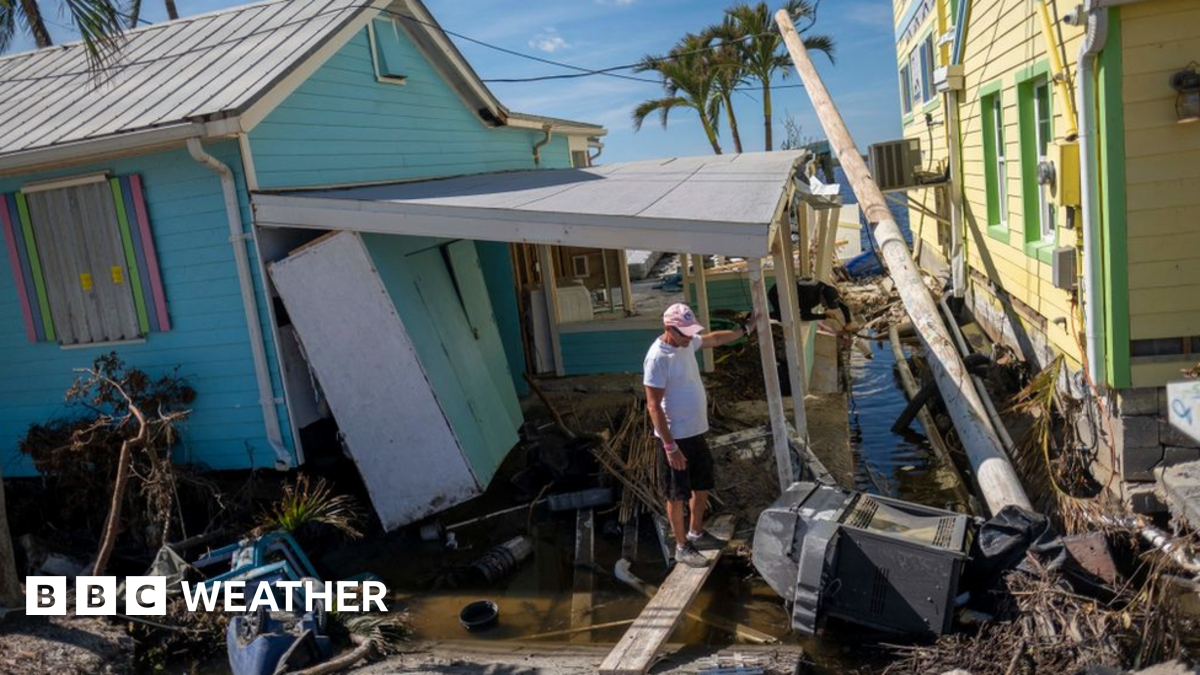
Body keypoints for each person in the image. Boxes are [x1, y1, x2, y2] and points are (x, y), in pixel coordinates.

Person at [643, 303, 752, 568]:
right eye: (684, 333)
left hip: (695, 433)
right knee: (676, 494)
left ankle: (696, 532)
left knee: (701, 486)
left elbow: (714, 339)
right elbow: (653, 406)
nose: (690, 337)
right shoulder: (658, 358)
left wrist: (745, 330)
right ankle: (682, 546)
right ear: (669, 329)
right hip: (675, 439)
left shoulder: (686, 343)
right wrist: (670, 447)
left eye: (691, 332)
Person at [767, 278, 855, 329]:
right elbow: (805, 316)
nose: (826, 307)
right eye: (826, 305)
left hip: (792, 288)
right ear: (822, 298)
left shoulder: (827, 290)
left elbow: (844, 306)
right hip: (777, 292)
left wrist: (848, 322)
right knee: (783, 316)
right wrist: (824, 316)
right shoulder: (809, 297)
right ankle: (763, 316)